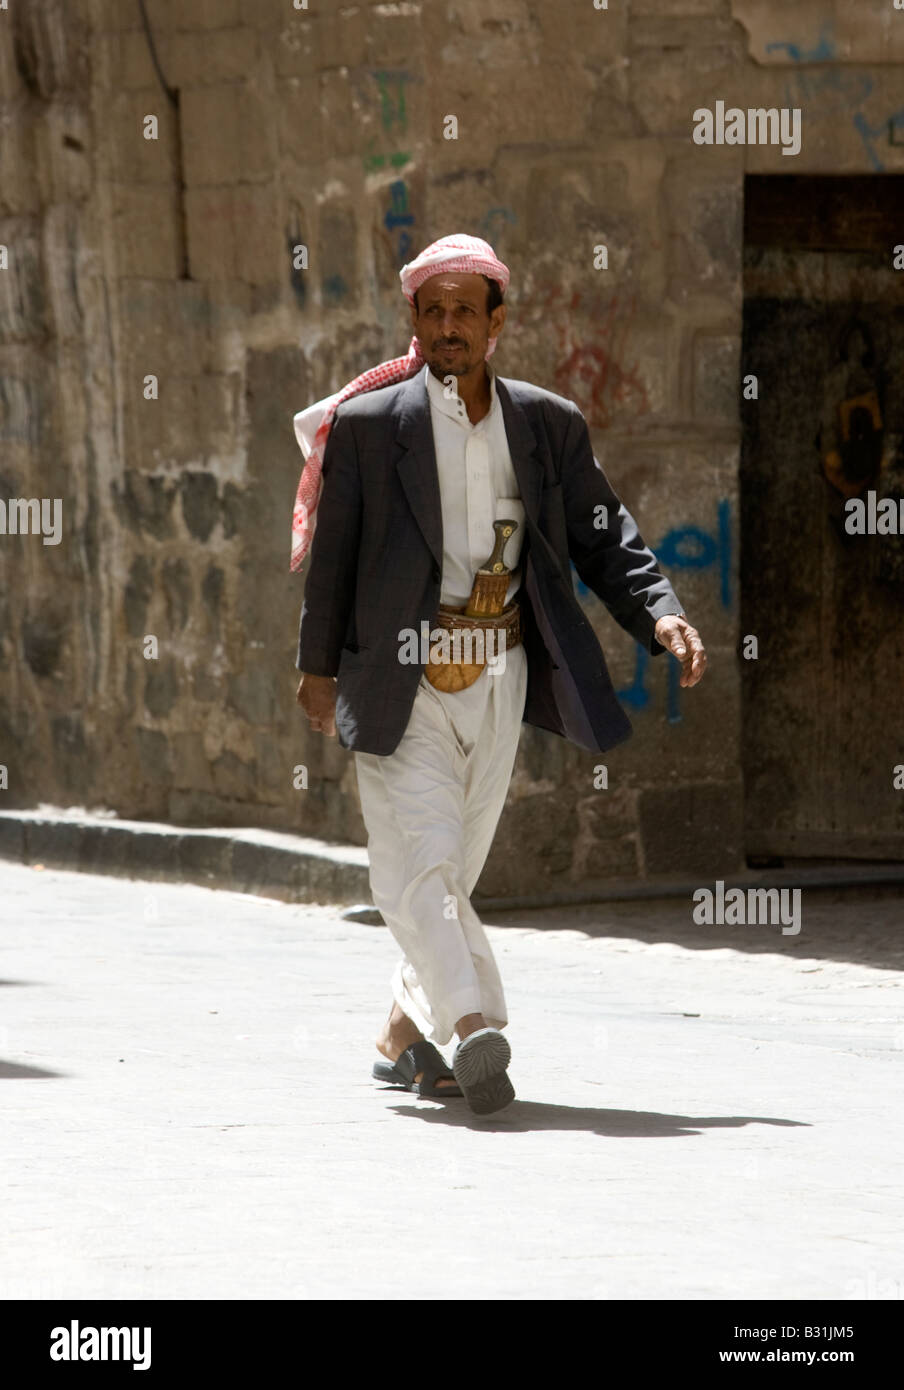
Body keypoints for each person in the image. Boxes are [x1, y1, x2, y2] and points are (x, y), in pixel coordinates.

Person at [291, 234, 706, 1114]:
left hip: (499, 672)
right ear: (413, 318)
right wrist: (316, 668)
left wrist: (660, 612)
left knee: (452, 870)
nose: (448, 327)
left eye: (464, 312)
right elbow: (334, 561)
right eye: (432, 311)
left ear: (496, 324)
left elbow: (604, 534)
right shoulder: (368, 430)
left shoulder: (547, 425)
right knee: (423, 865)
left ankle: (401, 1035)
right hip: (398, 673)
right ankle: (477, 1025)